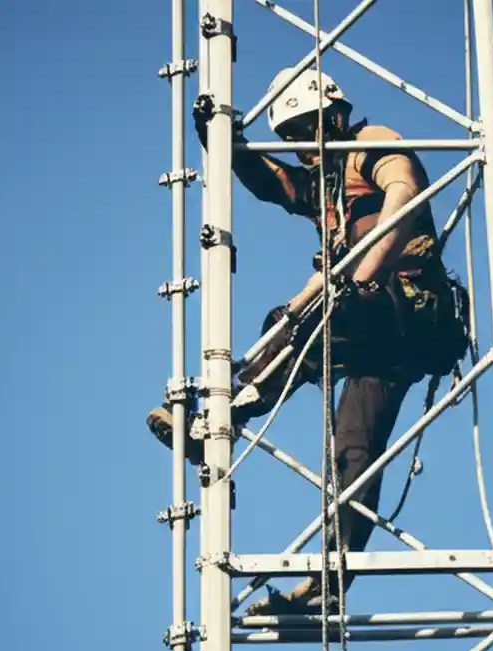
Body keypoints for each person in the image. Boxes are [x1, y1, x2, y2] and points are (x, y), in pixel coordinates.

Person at [146, 68, 469, 614]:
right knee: (354, 449)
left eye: (304, 131)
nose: (300, 147)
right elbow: (275, 184)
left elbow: (405, 197)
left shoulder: (369, 144)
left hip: (410, 311)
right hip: (377, 334)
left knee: (317, 322)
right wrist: (227, 147)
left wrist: (359, 279)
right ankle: (327, 585)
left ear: (333, 115)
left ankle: (230, 413)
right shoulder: (327, 188)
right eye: (291, 138)